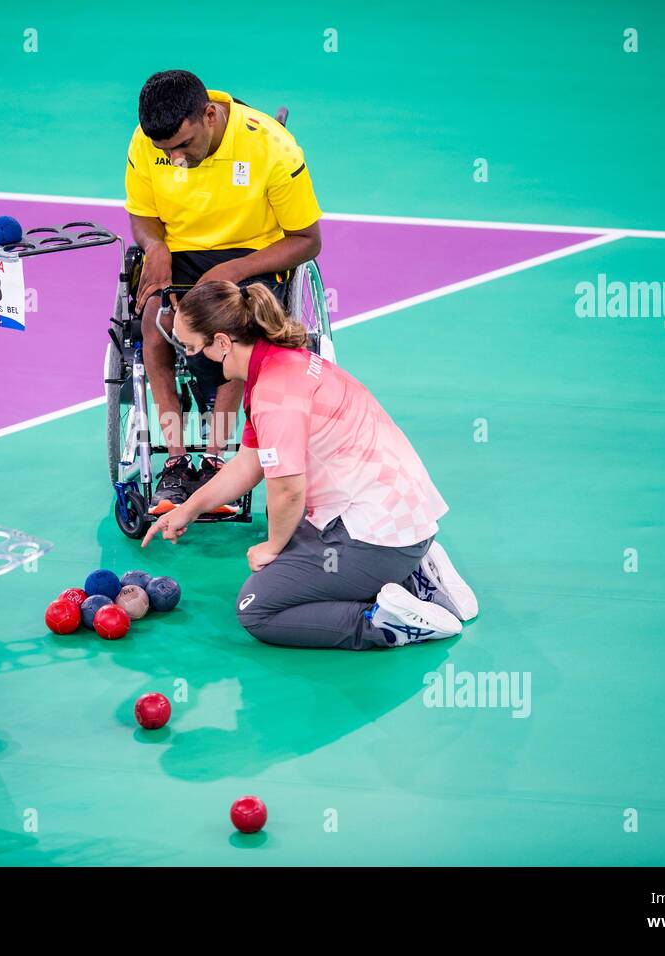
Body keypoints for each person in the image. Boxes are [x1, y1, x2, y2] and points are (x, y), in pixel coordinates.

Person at [141, 281, 479, 650]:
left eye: (192, 348)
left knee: (257, 608)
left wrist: (272, 546)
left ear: (222, 343)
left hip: (379, 538)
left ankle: (386, 623)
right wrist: (187, 510)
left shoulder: (273, 393)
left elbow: (288, 490)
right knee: (289, 539)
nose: (190, 360)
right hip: (404, 518)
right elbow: (248, 464)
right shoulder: (282, 363)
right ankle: (418, 576)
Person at [125, 69, 323, 515]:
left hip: (254, 254)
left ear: (210, 115)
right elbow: (142, 213)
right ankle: (176, 462)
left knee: (228, 330)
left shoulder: (272, 147)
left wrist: (234, 269)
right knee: (154, 324)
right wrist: (154, 245)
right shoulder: (145, 139)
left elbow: (307, 240)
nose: (174, 159)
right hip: (180, 251)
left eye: (183, 147)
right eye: (165, 151)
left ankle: (216, 459)